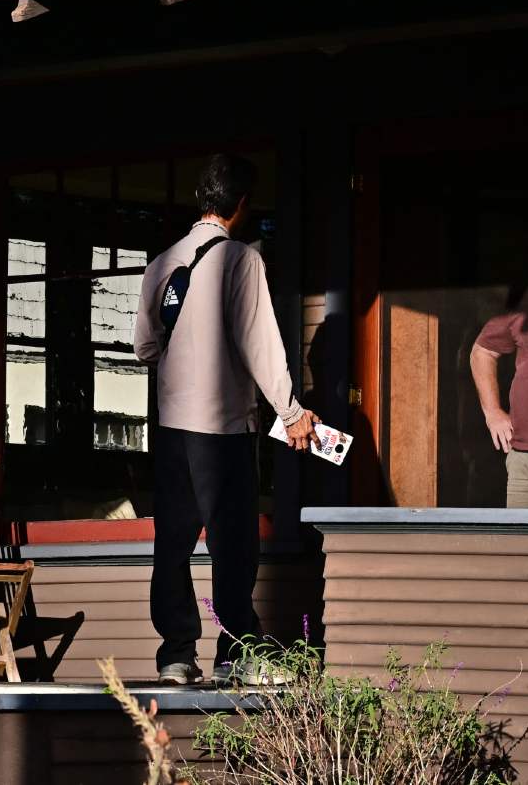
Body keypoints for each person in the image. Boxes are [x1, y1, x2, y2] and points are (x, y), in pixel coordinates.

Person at [133, 153, 320, 686]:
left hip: (171, 429)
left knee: (171, 541)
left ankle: (175, 654)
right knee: (233, 543)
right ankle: (236, 653)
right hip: (222, 429)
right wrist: (292, 411)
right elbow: (261, 346)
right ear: (241, 204)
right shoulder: (242, 259)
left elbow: (145, 346)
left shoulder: (162, 262)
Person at [469, 282, 528, 508]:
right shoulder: (521, 304)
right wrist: (492, 412)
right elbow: (482, 352)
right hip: (521, 457)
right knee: (522, 541)